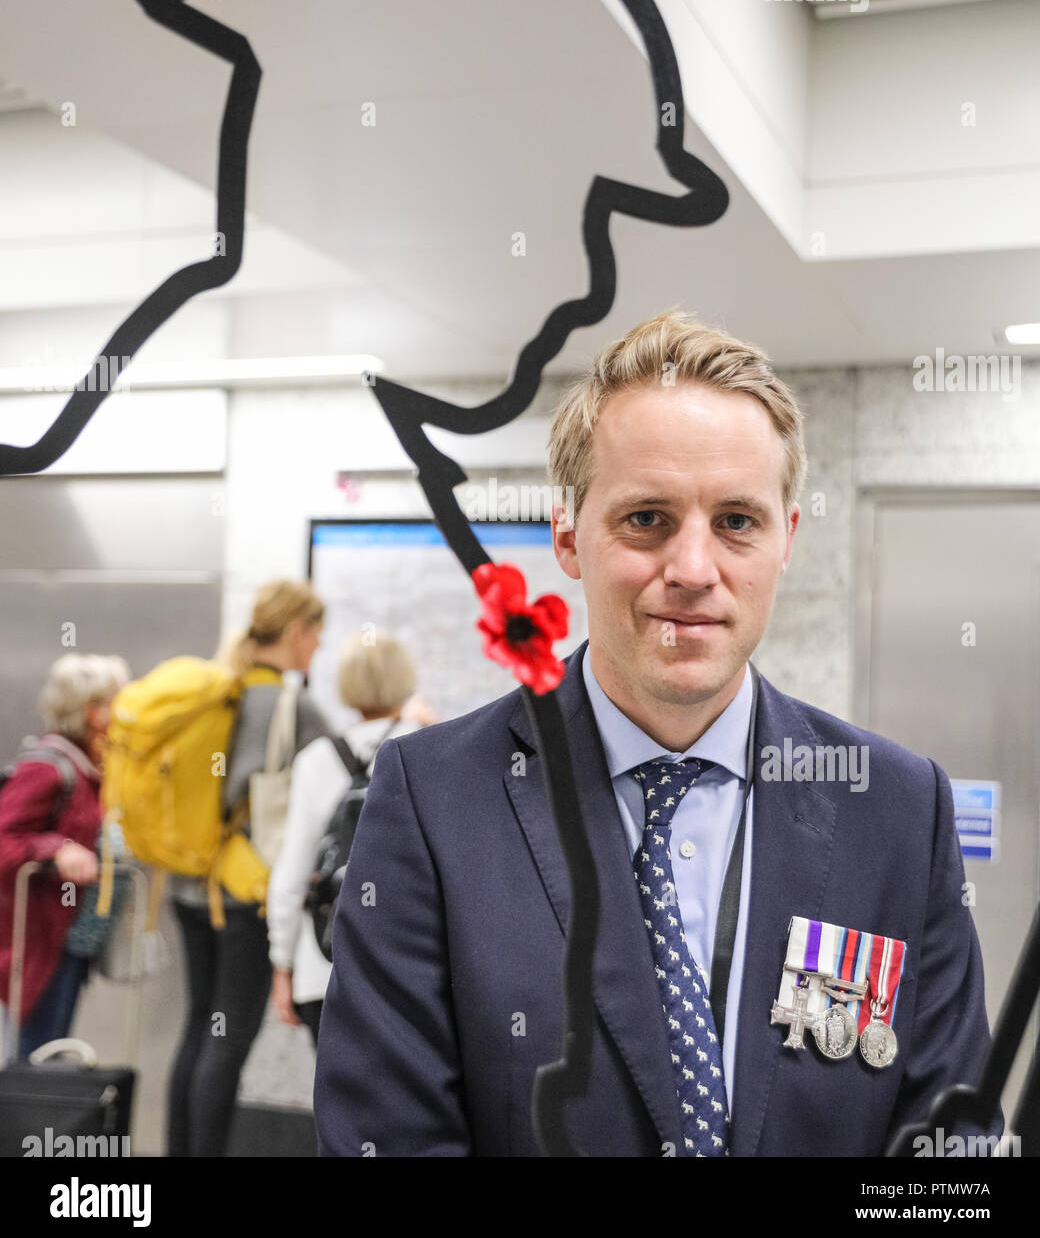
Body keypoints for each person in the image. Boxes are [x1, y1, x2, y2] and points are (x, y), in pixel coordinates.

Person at [314, 311, 996, 1157]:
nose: (694, 570)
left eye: (738, 521)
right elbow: (387, 1140)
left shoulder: (895, 807)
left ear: (788, 538)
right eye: (647, 519)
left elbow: (948, 1147)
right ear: (567, 533)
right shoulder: (432, 799)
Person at [165, 579, 330, 1158]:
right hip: (244, 894)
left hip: (187, 887)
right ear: (294, 633)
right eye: (316, 636)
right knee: (229, 1033)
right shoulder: (292, 704)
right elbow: (351, 768)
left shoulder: (218, 690)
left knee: (199, 1026)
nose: (318, 649)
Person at [267, 629, 429, 1049]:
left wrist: (282, 966)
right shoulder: (433, 747)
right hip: (412, 973)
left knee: (339, 1108)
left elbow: (291, 874)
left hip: (325, 968)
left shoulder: (317, 760)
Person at [0, 654, 129, 1061]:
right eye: (119, 702)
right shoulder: (48, 767)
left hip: (70, 942)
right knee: (31, 1060)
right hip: (37, 942)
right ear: (94, 712)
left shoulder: (97, 768)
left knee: (48, 1053)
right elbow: (4, 838)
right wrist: (54, 849)